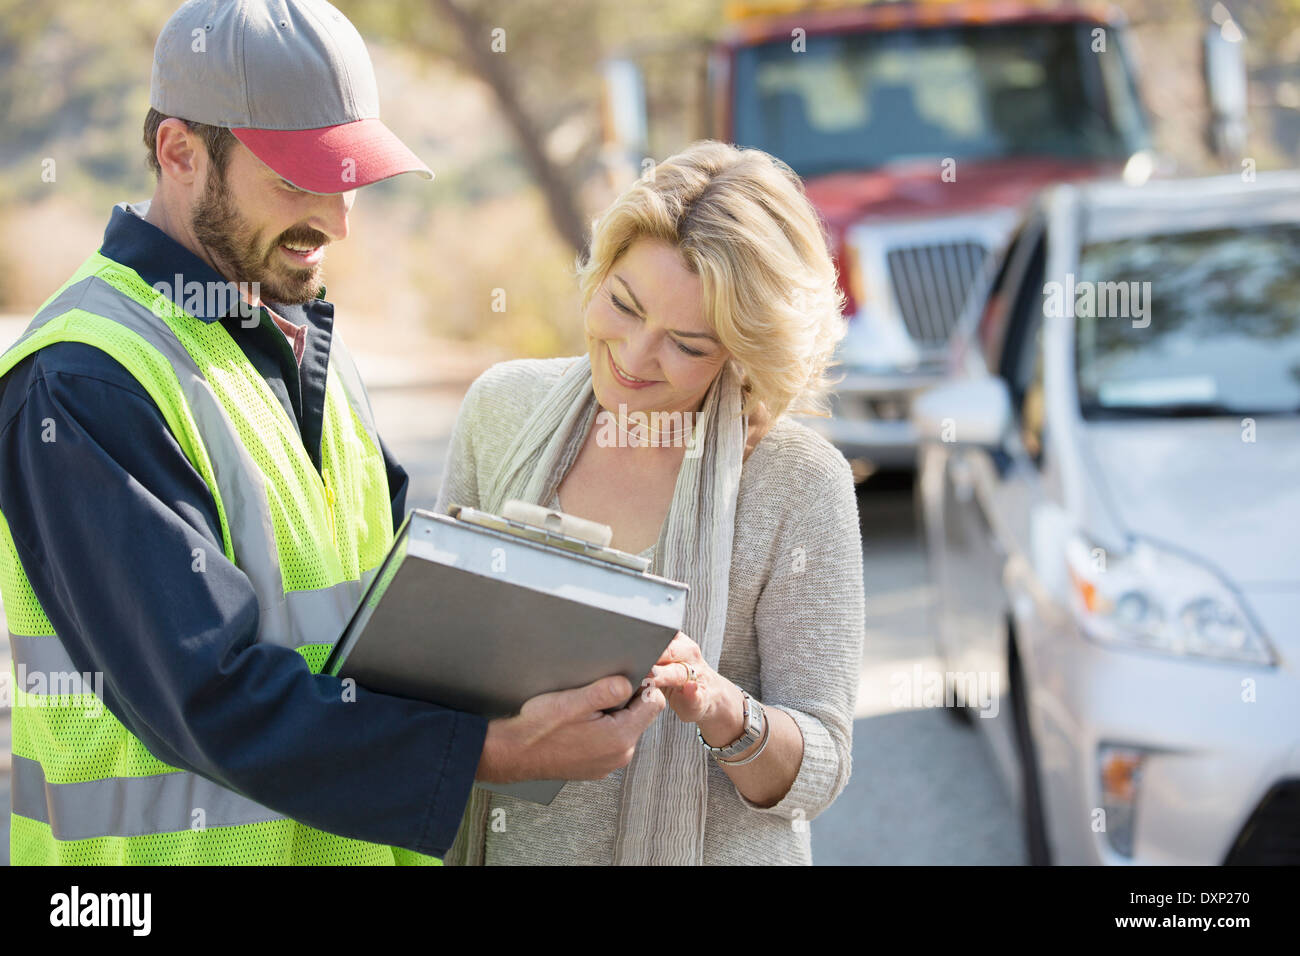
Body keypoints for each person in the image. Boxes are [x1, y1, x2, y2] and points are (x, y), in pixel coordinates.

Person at [0, 0, 664, 866]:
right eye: (296, 182)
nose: (339, 222)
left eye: (347, 179)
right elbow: (204, 692)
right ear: (179, 154)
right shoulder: (84, 380)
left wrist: (564, 647)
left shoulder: (305, 336)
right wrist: (487, 753)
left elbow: (386, 616)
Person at [439, 141, 866, 865]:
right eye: (624, 305)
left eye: (687, 345)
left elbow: (819, 767)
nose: (636, 358)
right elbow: (439, 667)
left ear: (744, 351)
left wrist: (720, 707)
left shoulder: (799, 482)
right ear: (600, 270)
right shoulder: (500, 410)